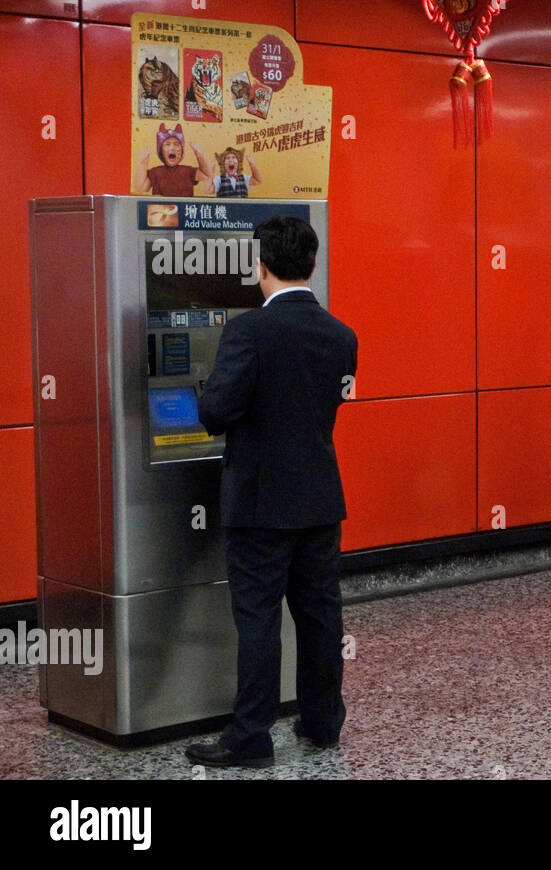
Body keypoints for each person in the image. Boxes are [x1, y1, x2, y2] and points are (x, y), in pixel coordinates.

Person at [185, 216, 358, 768]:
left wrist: (203, 390)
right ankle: (323, 722)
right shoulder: (341, 335)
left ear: (261, 266)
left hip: (259, 505)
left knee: (258, 620)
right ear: (311, 265)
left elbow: (216, 412)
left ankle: (250, 737)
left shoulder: (247, 332)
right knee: (319, 615)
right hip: (319, 500)